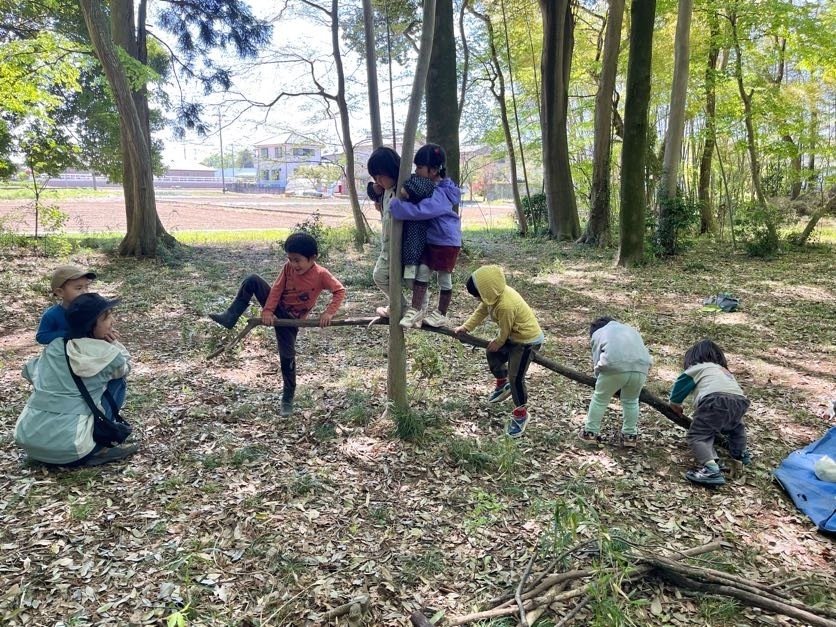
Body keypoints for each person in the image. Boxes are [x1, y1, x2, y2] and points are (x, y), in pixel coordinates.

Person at [208, 232, 346, 417]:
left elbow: (339, 290)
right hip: (278, 310)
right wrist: (268, 311)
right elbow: (276, 290)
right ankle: (230, 316)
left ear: (312, 258)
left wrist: (328, 312)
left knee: (287, 359)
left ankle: (287, 399)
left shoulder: (321, 274)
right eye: (290, 259)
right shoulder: (288, 269)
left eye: (297, 260)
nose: (293, 265)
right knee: (252, 280)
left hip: (291, 322)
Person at [15, 293, 135, 467]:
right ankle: (99, 446)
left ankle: (45, 444)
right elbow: (125, 367)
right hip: (73, 449)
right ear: (91, 324)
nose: (112, 321)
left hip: (28, 440)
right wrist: (114, 344)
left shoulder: (55, 347)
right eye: (107, 317)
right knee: (118, 381)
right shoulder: (108, 354)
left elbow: (31, 371)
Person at [454, 265, 544, 438]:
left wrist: (499, 342)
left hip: (527, 341)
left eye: (477, 295)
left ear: (486, 291)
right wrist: (466, 328)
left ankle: (521, 414)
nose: (477, 299)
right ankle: (502, 384)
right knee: (492, 353)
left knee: (516, 377)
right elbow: (480, 312)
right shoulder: (492, 297)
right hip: (513, 337)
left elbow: (505, 328)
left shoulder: (505, 305)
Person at [389, 144, 462, 329]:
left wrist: (398, 208)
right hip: (433, 240)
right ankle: (416, 309)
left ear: (434, 170)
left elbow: (425, 210)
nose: (416, 171)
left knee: (444, 277)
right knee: (423, 271)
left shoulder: (441, 192)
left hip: (446, 241)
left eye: (420, 167)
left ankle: (441, 314)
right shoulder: (434, 186)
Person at [669, 339, 751, 487]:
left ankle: (711, 469)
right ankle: (740, 454)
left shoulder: (698, 367)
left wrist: (675, 403)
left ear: (692, 359)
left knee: (698, 435)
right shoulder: (725, 371)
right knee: (736, 428)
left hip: (715, 400)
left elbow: (681, 384)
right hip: (740, 401)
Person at [578, 317, 653, 447]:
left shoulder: (598, 333)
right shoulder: (630, 330)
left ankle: (590, 432)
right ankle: (630, 436)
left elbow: (597, 359)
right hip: (641, 368)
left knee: (600, 399)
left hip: (613, 366)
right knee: (631, 400)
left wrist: (600, 379)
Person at [36, 265, 98, 345]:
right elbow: (41, 337)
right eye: (78, 288)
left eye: (86, 287)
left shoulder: (90, 310)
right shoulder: (52, 315)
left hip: (88, 351)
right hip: (62, 354)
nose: (85, 292)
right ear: (60, 292)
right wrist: (67, 334)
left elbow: (100, 325)